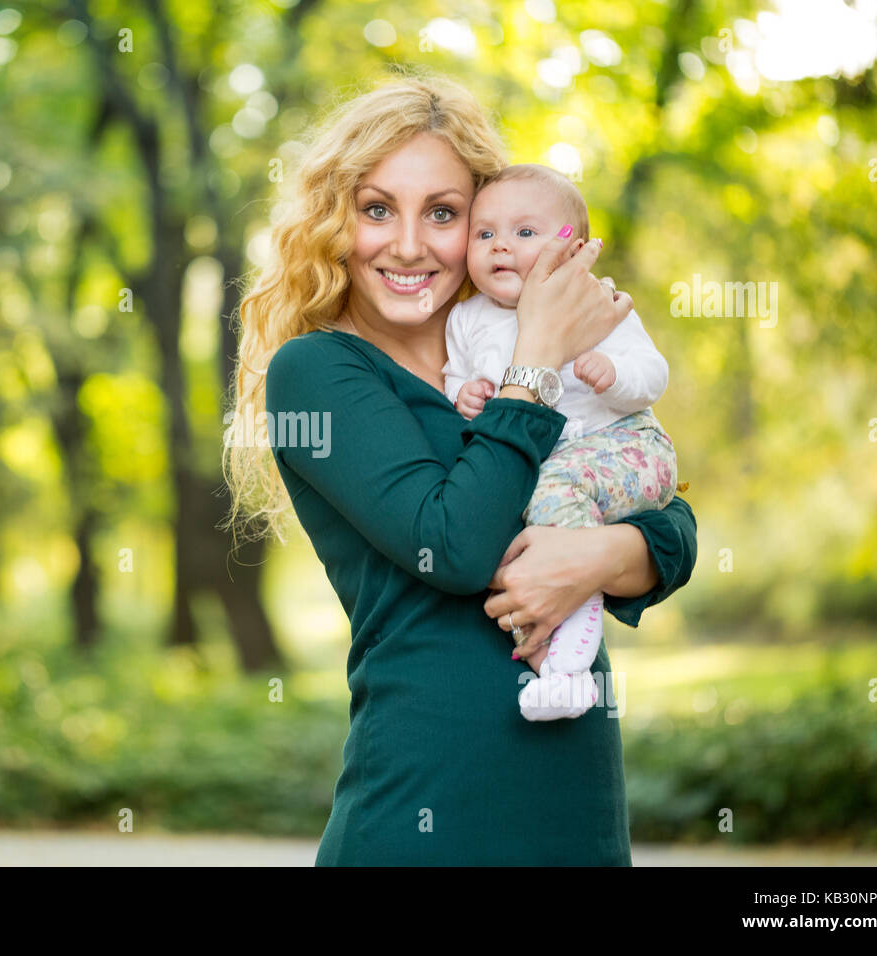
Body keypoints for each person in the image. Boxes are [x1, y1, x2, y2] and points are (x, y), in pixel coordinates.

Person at [223, 74, 697, 865]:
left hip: (577, 806)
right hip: (423, 811)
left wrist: (604, 554)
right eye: (377, 209)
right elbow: (455, 546)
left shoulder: (501, 341)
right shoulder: (320, 372)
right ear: (336, 222)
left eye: (441, 213)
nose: (409, 245)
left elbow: (661, 495)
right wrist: (538, 362)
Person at [443, 163, 680, 721]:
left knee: (549, 493)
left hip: (628, 446)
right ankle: (557, 671)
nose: (501, 246)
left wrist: (614, 375)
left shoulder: (595, 300)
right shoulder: (467, 319)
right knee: (528, 509)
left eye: (525, 233)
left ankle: (571, 662)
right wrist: (468, 394)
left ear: (573, 250)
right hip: (559, 479)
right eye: (485, 234)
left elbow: (654, 371)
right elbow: (459, 375)